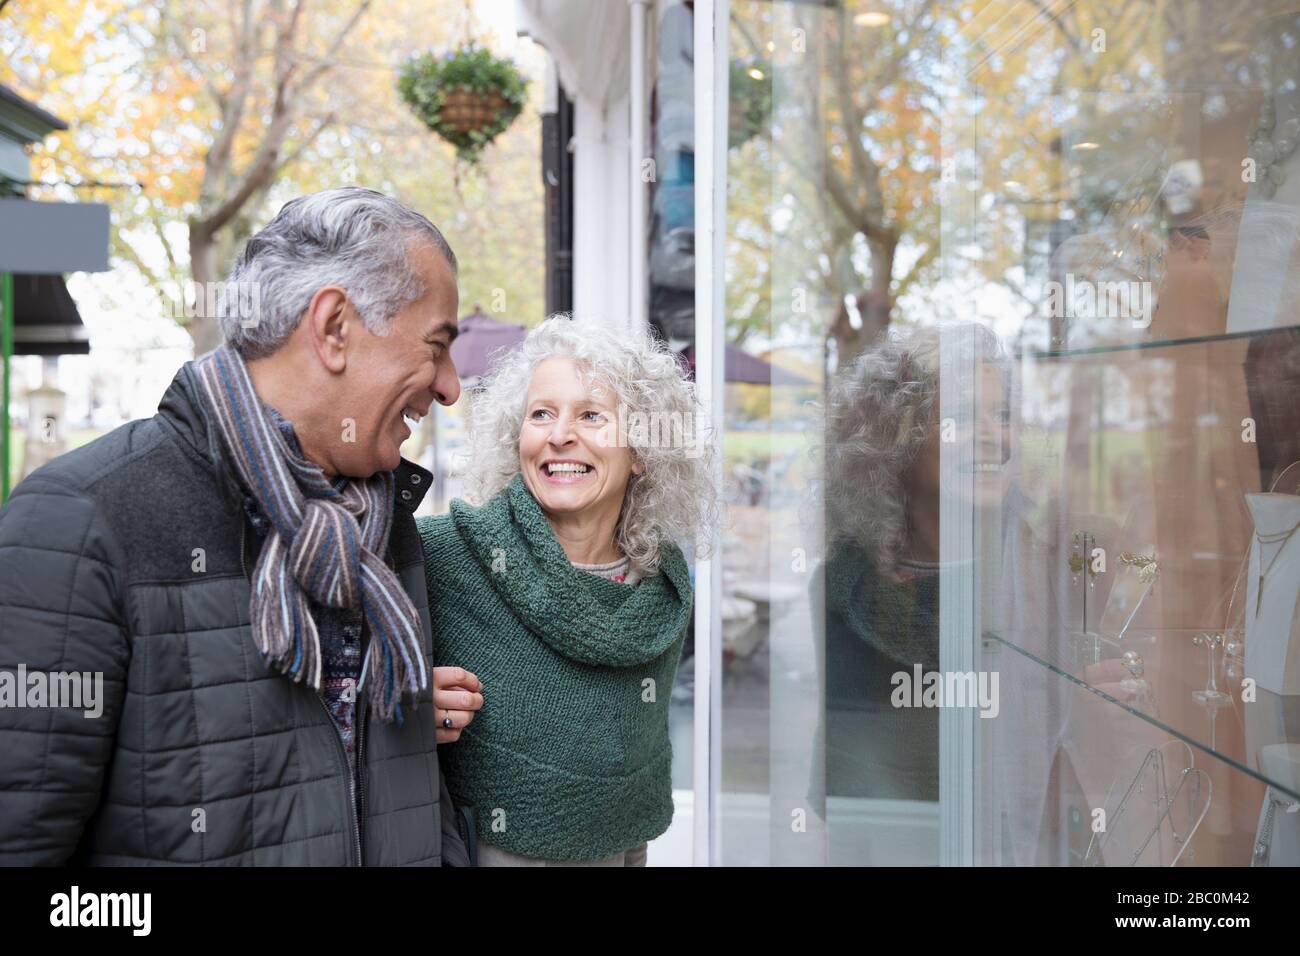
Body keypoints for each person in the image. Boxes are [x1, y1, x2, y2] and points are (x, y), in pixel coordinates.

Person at [0, 187, 482, 865]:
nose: (450, 386)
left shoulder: (381, 523)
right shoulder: (81, 520)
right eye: (436, 346)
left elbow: (409, 801)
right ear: (334, 327)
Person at [418, 316, 713, 866]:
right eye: (541, 414)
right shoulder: (440, 555)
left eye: (591, 415)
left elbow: (630, 805)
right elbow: (328, 693)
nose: (559, 435)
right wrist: (402, 702)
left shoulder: (660, 591)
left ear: (642, 449)